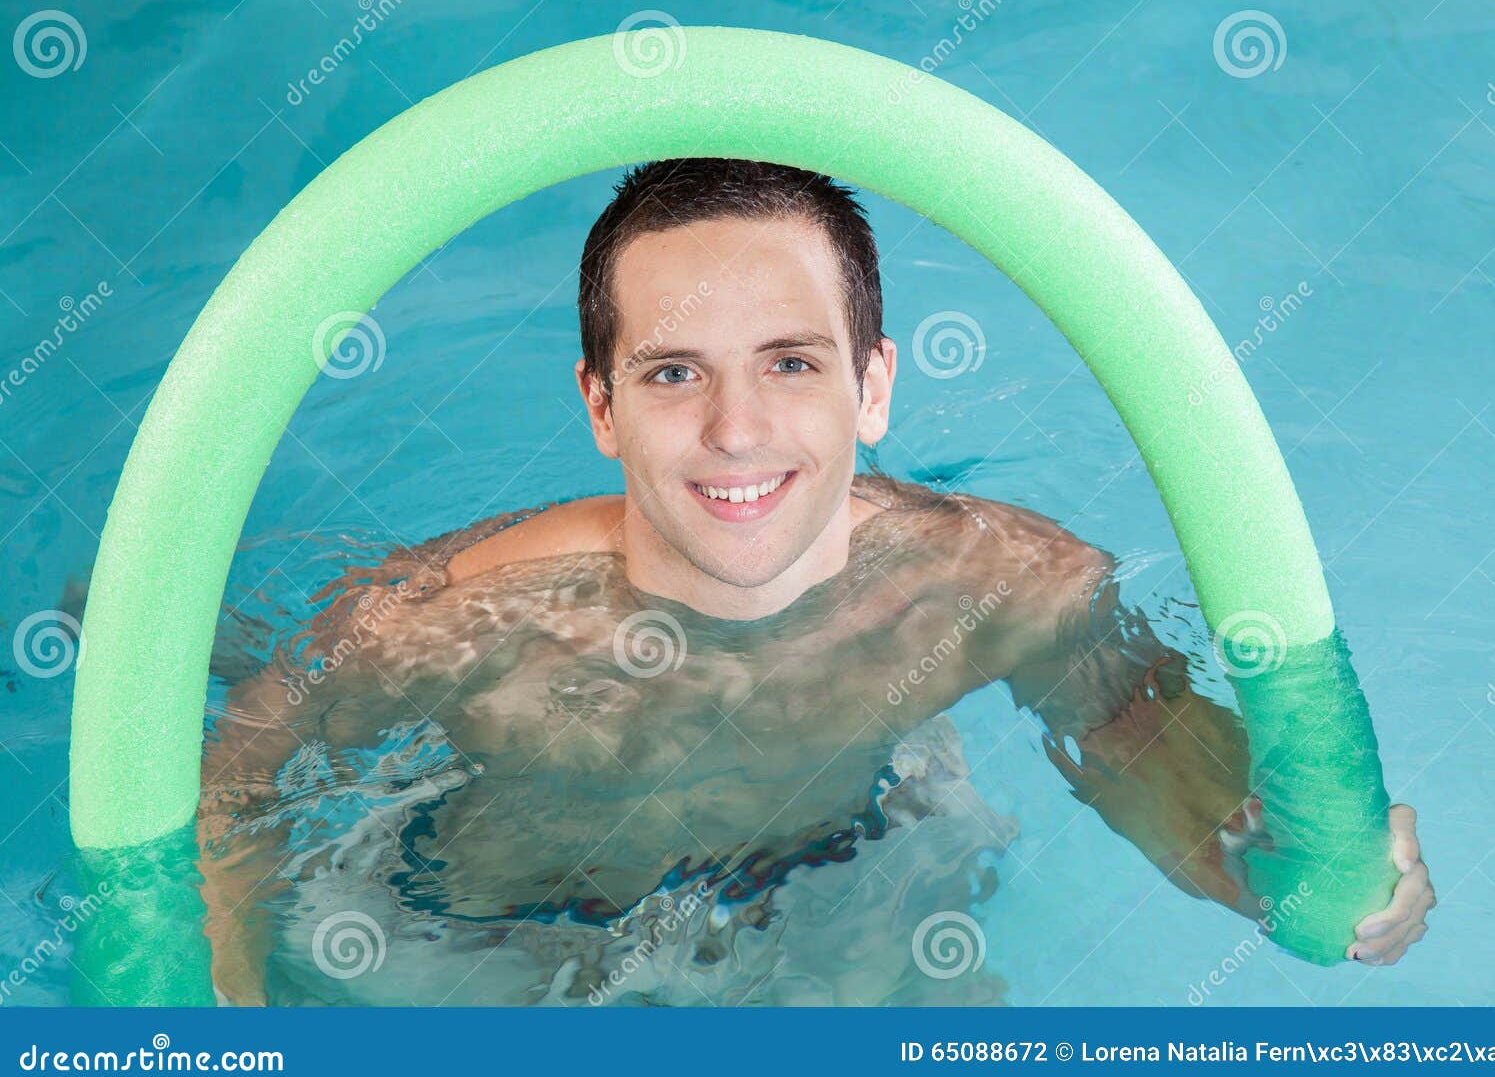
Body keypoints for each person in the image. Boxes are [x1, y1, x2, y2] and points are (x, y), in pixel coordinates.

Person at [199, 158, 1433, 1006]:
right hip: (478, 930)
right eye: (674, 373)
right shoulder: (457, 621)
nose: (737, 429)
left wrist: (1294, 875)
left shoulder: (992, 581)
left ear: (875, 383)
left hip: (839, 869)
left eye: (789, 362)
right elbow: (232, 787)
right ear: (601, 406)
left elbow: (1134, 730)